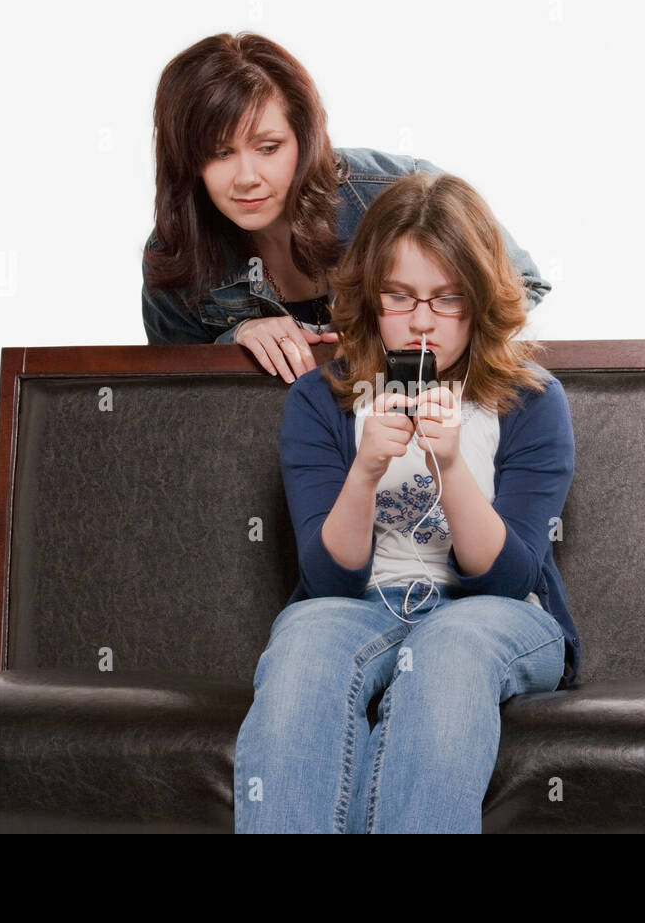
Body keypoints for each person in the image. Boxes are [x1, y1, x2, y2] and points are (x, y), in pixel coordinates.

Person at [233, 170, 582, 833]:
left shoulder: (533, 402)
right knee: (303, 641)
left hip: (493, 616)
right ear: (371, 298)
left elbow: (508, 580)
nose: (421, 321)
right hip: (358, 606)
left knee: (449, 643)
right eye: (400, 296)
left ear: (478, 301)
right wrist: (365, 469)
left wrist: (448, 461)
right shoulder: (319, 401)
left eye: (446, 299)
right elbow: (328, 580)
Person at [140, 32, 552, 383]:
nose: (247, 177)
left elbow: (523, 285)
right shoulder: (175, 252)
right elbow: (177, 400)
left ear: (306, 138)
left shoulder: (396, 194)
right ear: (187, 160)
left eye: (269, 148)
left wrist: (393, 334)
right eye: (220, 153)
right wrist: (237, 341)